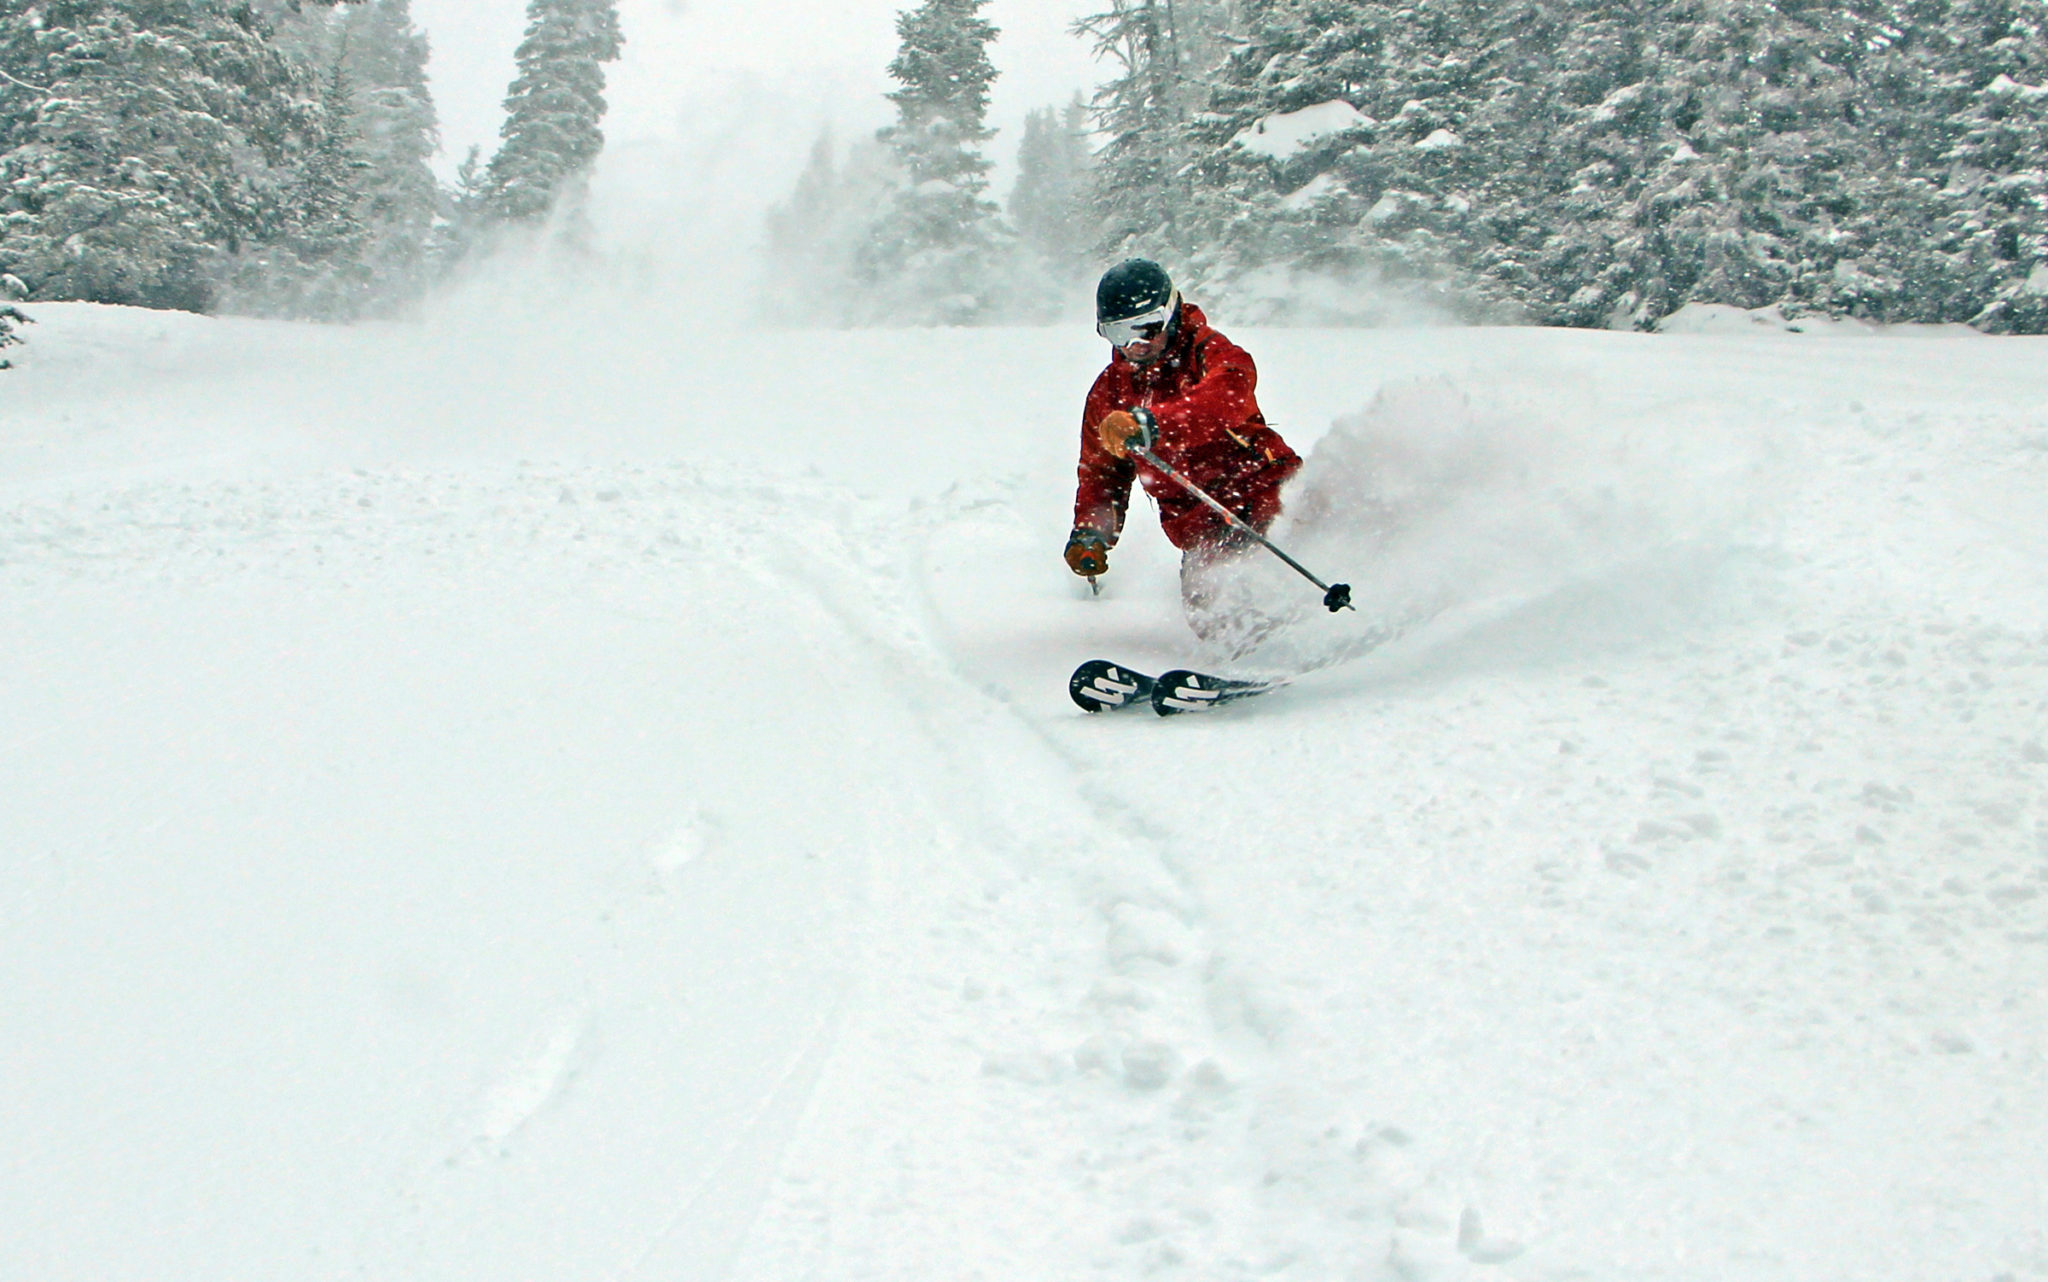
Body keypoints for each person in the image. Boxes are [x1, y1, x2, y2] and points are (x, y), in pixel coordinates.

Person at [1064, 259, 1301, 640]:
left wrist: (1153, 425)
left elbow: (1226, 396)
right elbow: (1101, 474)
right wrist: (1091, 534)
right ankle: (1241, 663)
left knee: (1292, 576)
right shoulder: (1110, 394)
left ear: (1171, 312)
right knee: (1212, 610)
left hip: (1269, 497)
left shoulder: (1210, 353)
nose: (1134, 345)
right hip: (1200, 526)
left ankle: (1315, 638)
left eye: (1145, 329)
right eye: (1118, 333)